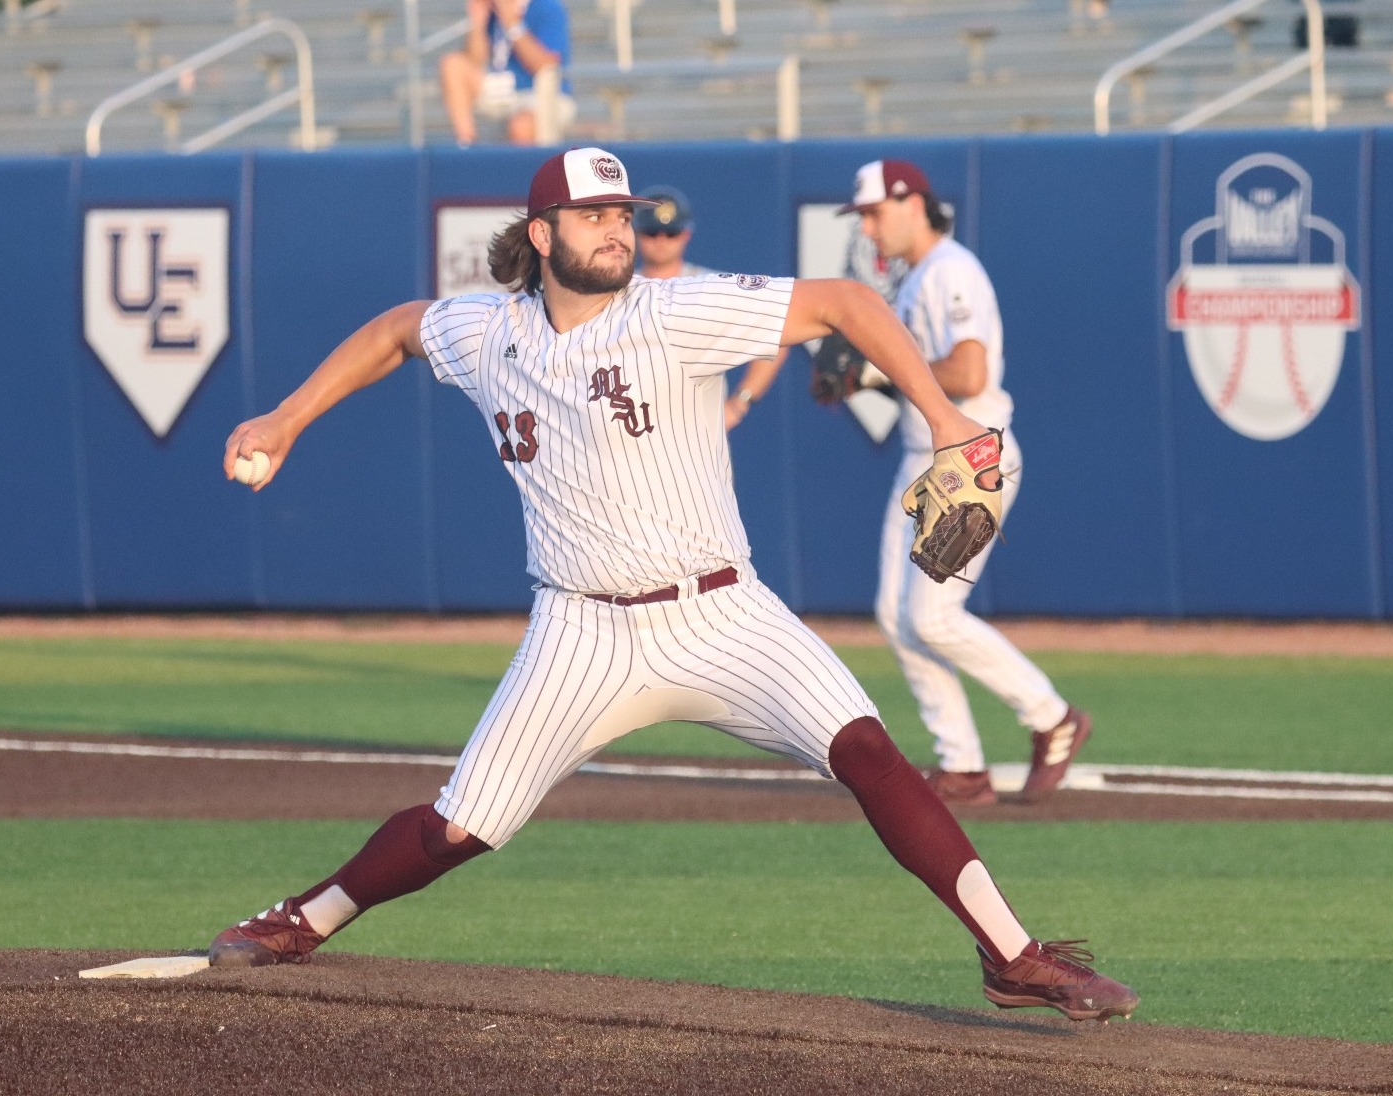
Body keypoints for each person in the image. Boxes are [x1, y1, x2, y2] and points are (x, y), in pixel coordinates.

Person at [208, 147, 1138, 1023]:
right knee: (461, 829)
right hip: (580, 630)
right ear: (542, 235)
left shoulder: (672, 310)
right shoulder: (487, 331)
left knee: (867, 750)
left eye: (625, 212)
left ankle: (1013, 955)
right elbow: (396, 331)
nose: (618, 229)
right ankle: (306, 917)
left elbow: (848, 304)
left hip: (723, 612)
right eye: (595, 215)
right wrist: (287, 418)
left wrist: (941, 417)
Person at [843, 159, 1093, 807]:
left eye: (874, 213)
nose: (868, 228)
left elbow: (970, 373)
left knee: (931, 615)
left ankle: (1050, 715)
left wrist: (877, 375)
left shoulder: (950, 269)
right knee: (897, 618)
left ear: (912, 203)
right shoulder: (920, 273)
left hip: (970, 460)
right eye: (863, 216)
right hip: (929, 461)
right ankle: (962, 765)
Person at [635, 183, 784, 430]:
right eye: (652, 232)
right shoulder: (618, 290)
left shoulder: (711, 287)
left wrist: (739, 402)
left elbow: (777, 331)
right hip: (630, 431)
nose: (661, 240)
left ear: (686, 234)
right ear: (637, 233)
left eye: (670, 232)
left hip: (699, 431)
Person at [439, 0, 575, 147]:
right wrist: (477, 22)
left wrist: (513, 24)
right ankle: (466, 145)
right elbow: (475, 61)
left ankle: (524, 169)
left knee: (522, 126)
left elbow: (546, 66)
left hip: (541, 94)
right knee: (452, 64)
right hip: (501, 88)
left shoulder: (547, 7)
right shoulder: (492, 11)